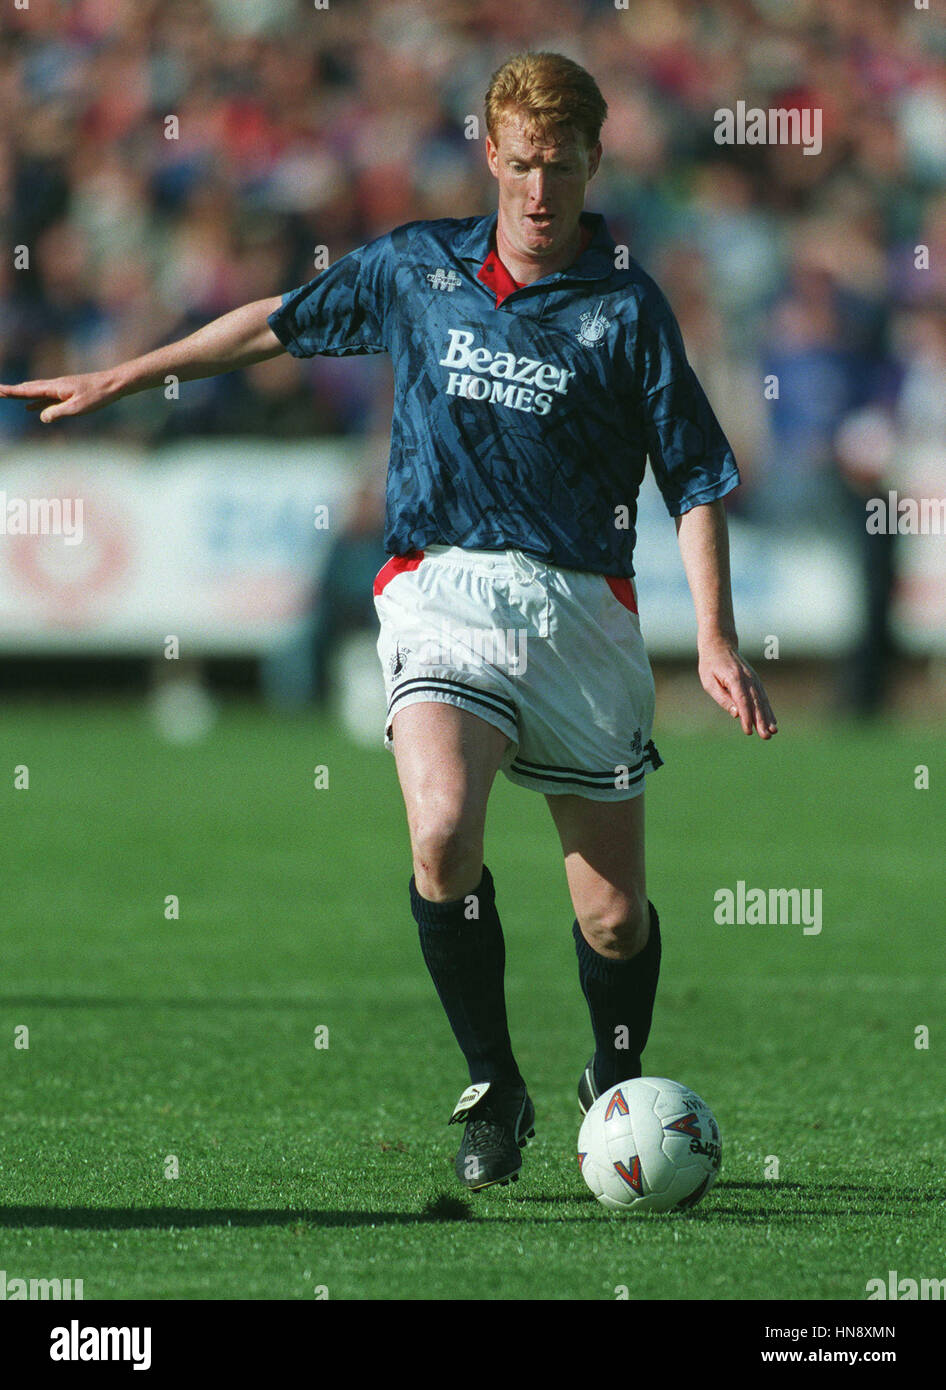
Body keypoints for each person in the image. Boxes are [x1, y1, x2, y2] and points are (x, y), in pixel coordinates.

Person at [0, 52, 777, 1194]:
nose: (536, 191)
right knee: (440, 829)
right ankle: (491, 1085)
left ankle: (615, 1075)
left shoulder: (625, 303)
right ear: (489, 155)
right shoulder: (418, 265)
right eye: (517, 165)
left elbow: (697, 478)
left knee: (612, 923)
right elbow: (278, 320)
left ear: (592, 163)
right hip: (440, 591)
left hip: (580, 620)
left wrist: (713, 634)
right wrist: (125, 375)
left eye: (557, 168)